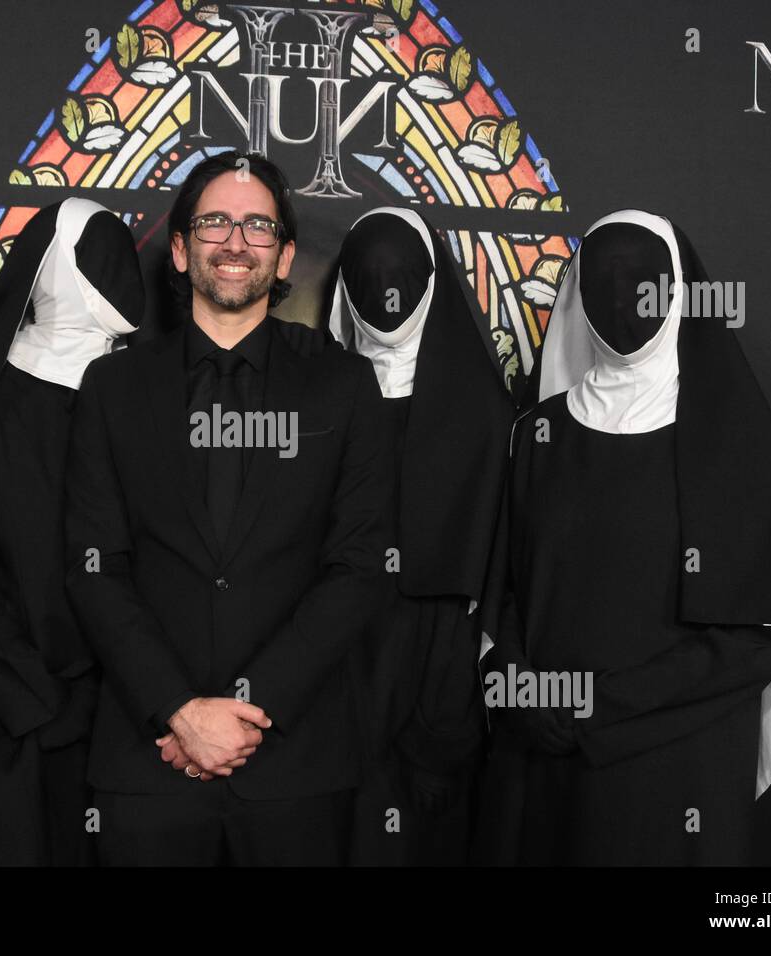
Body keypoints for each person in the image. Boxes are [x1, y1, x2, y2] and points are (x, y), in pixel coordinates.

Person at [474, 209, 771, 865]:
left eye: (642, 282)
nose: (621, 301)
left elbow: (753, 640)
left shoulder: (730, 441)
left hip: (676, 768)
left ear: (678, 293)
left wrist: (594, 706)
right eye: (600, 282)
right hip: (543, 761)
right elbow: (504, 594)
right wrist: (519, 688)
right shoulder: (538, 436)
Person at [64, 151, 394, 865]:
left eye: (257, 227)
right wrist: (181, 713)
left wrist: (245, 714)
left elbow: (359, 569)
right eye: (214, 223)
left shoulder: (344, 386)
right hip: (146, 760)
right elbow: (95, 568)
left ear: (284, 259)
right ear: (181, 250)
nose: (235, 242)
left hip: (294, 767)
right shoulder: (112, 387)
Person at [0, 198, 145, 865]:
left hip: (127, 719)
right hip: (6, 720)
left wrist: (120, 692)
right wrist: (49, 702)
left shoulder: (143, 405)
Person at [327, 207, 513, 865]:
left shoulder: (481, 414)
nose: (386, 294)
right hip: (327, 697)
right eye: (369, 276)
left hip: (434, 701)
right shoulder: (317, 402)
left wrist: (443, 732)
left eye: (400, 275)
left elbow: (475, 588)